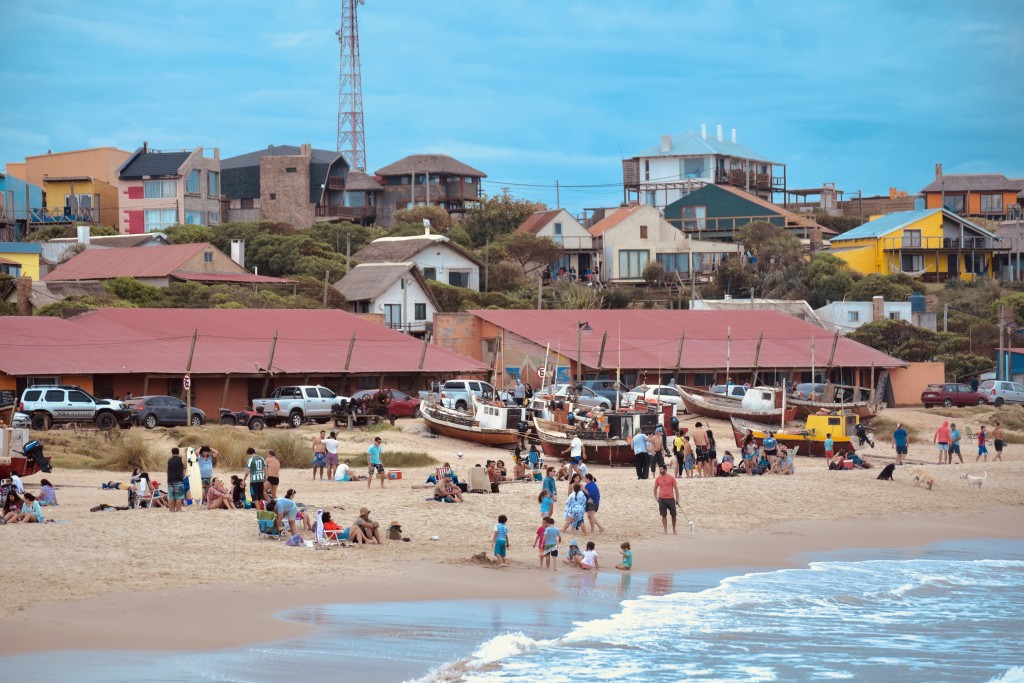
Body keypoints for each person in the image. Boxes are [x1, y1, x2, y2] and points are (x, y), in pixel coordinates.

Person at [654, 465, 680, 534]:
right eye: (660, 469)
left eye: (661, 469)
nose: (660, 471)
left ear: (665, 470)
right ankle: (665, 530)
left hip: (671, 499)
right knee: (663, 515)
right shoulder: (658, 478)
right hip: (661, 499)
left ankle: (674, 529)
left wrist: (677, 499)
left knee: (673, 515)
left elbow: (676, 489)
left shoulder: (671, 478)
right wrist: (655, 497)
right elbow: (655, 488)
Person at [166, 447, 186, 513]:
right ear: (178, 452)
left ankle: (171, 509)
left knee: (171, 496)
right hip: (178, 479)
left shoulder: (169, 460)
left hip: (170, 479)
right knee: (179, 496)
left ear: (172, 453)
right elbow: (184, 468)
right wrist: (183, 475)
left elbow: (166, 470)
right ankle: (178, 509)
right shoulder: (181, 459)